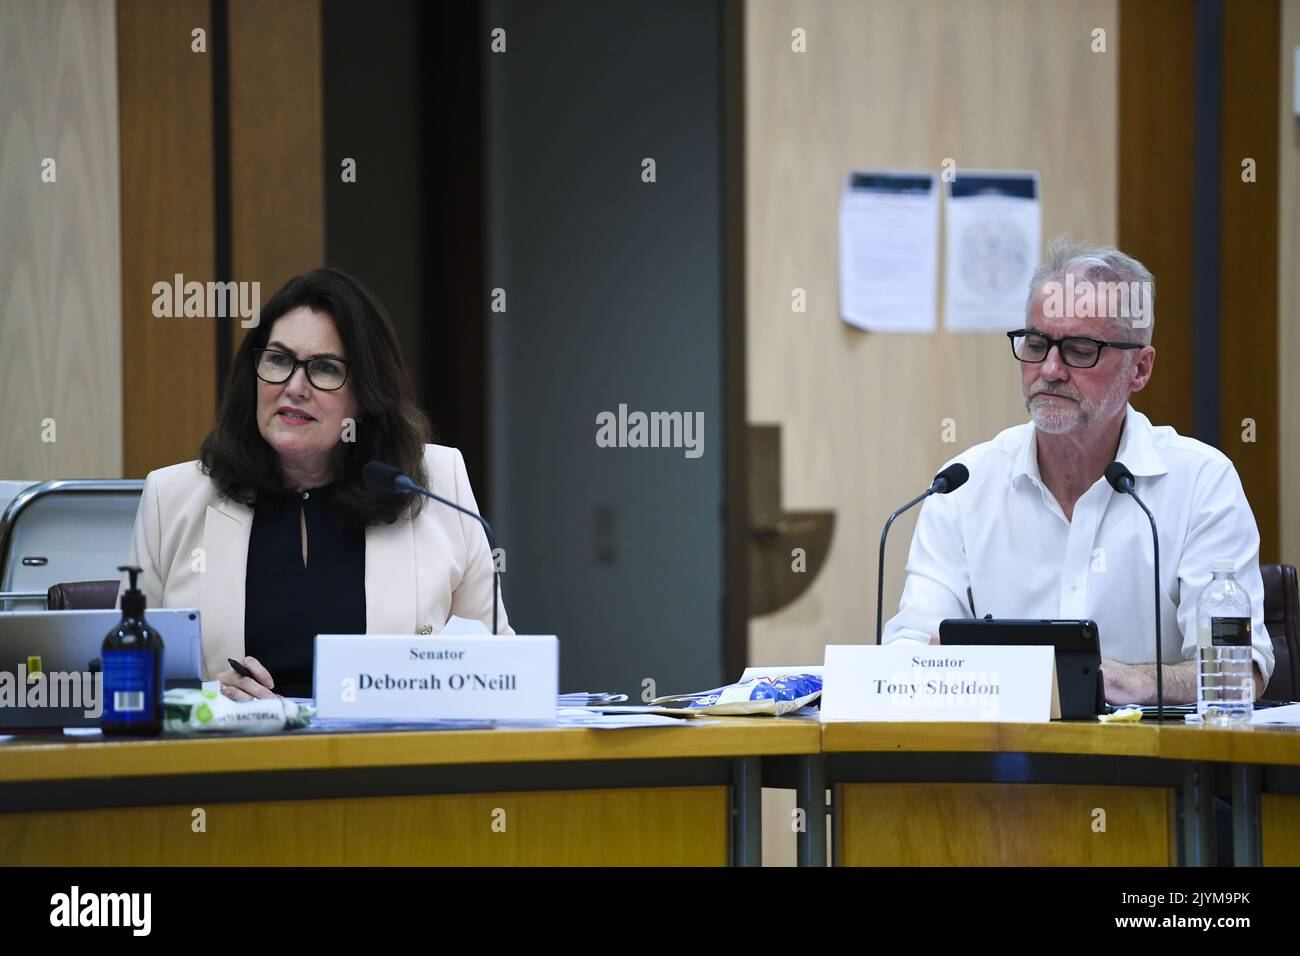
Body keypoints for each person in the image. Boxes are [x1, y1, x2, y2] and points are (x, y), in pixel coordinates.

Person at [883, 237, 1273, 704]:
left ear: (1140, 369)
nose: (1049, 369)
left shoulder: (1201, 483)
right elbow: (907, 649)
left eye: (1080, 349)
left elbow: (1237, 675)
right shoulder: (962, 484)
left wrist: (1131, 680)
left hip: (1149, 769)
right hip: (995, 767)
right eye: (1035, 343)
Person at [121, 267, 510, 701]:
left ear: (366, 393)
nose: (294, 387)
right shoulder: (171, 499)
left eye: (324, 368)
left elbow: (498, 678)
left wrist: (307, 717)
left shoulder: (435, 485)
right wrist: (210, 699)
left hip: (386, 763)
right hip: (231, 761)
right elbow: (125, 688)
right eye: (279, 360)